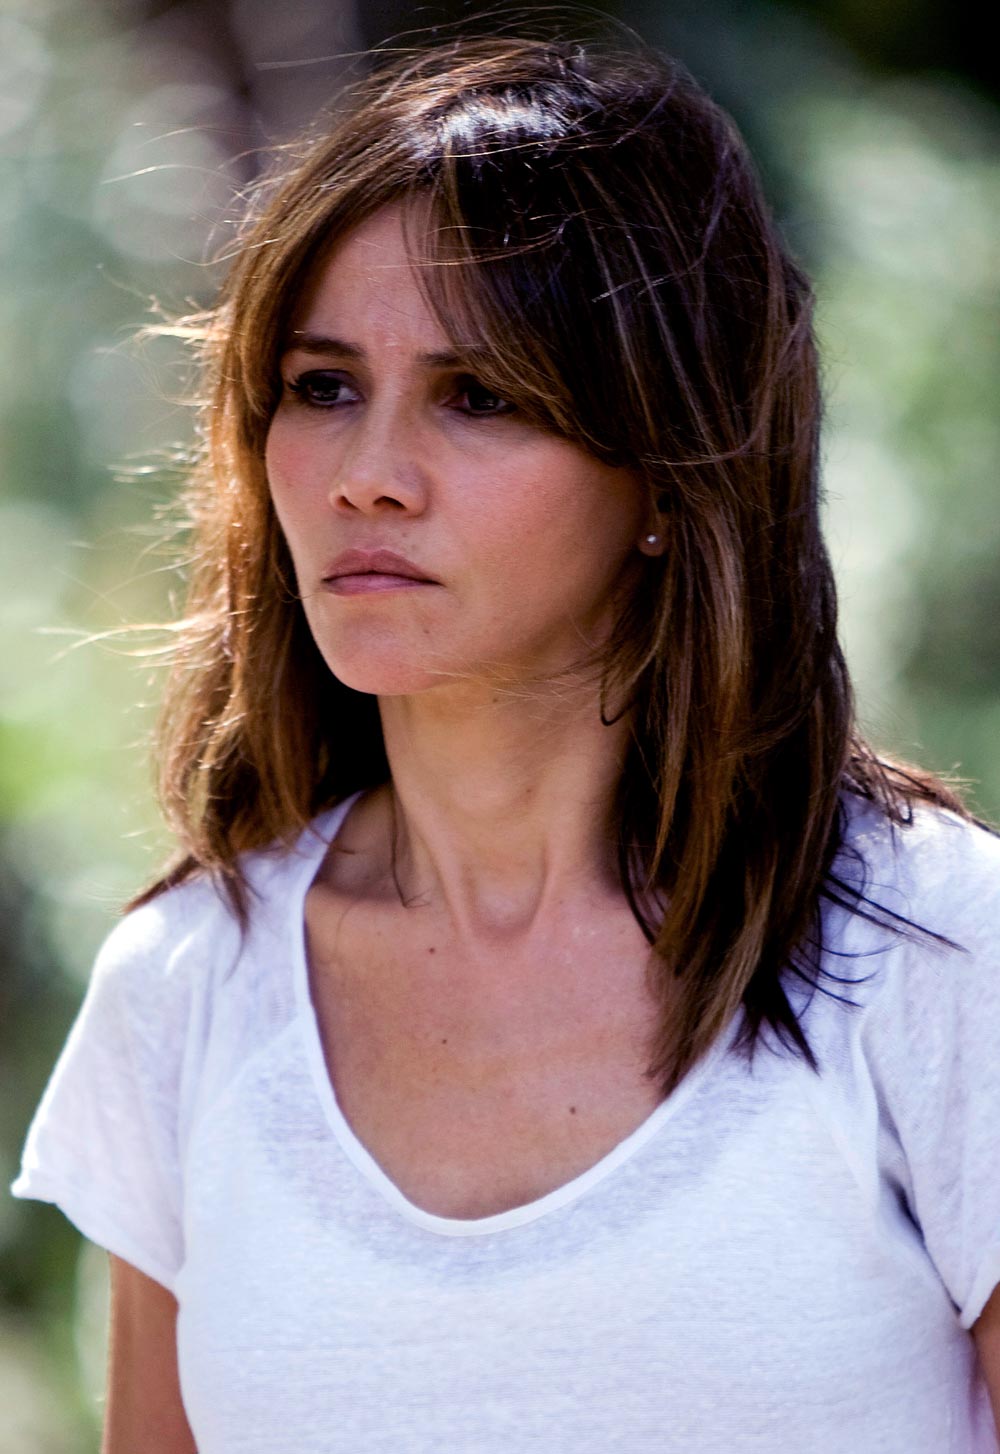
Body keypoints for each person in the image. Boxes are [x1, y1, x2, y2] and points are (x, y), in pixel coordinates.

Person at [10, 23, 1000, 1453]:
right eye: (323, 386)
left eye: (478, 396)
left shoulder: (932, 948)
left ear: (665, 470)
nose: (368, 477)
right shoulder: (189, 987)